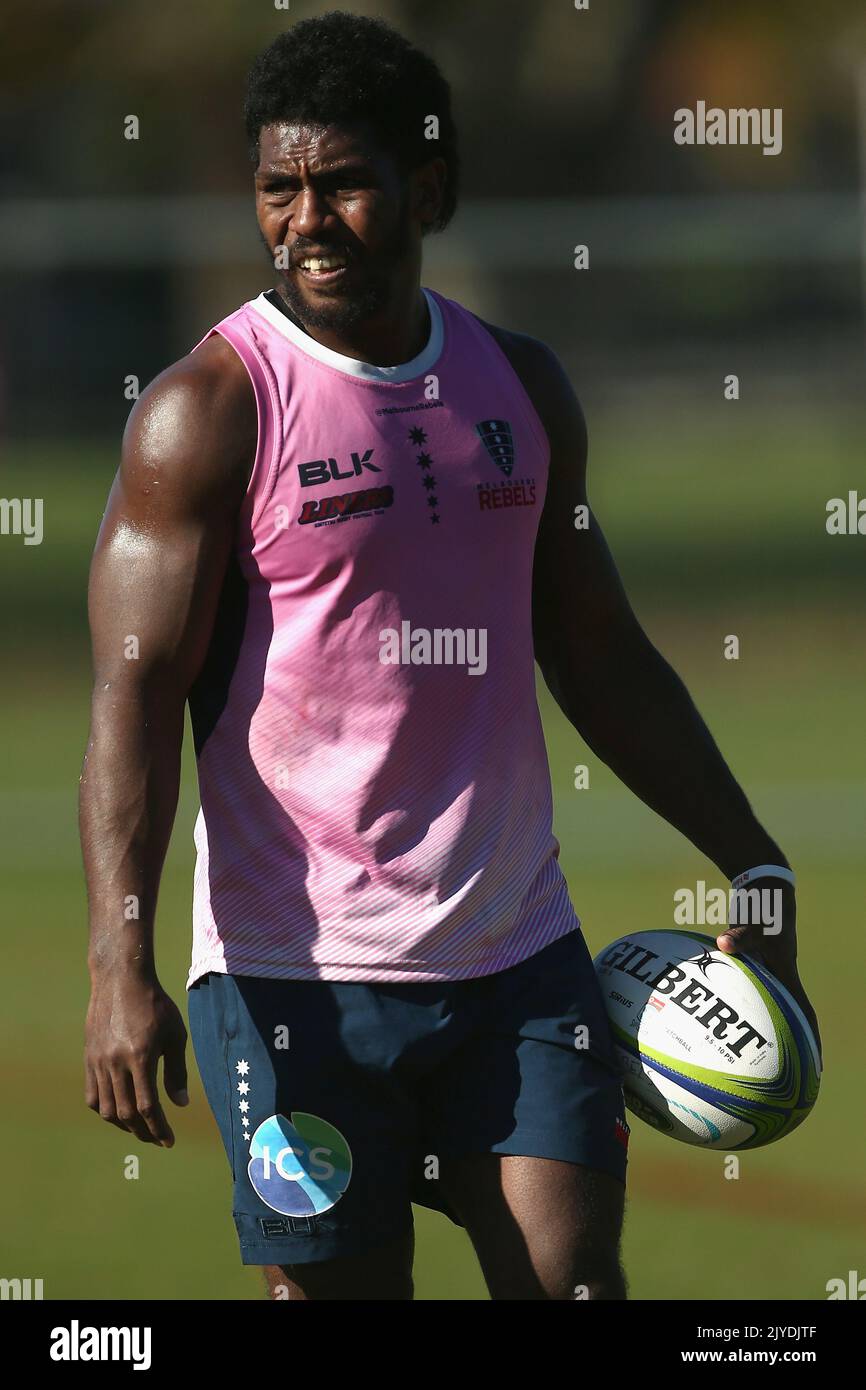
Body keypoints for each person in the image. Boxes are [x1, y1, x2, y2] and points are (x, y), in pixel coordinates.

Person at [80, 11, 818, 1301]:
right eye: (278, 187)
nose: (305, 219)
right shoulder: (208, 413)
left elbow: (601, 655)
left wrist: (749, 857)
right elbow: (133, 699)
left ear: (428, 186)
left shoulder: (520, 389)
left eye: (344, 182)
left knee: (577, 1284)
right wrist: (118, 966)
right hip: (291, 982)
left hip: (516, 959)